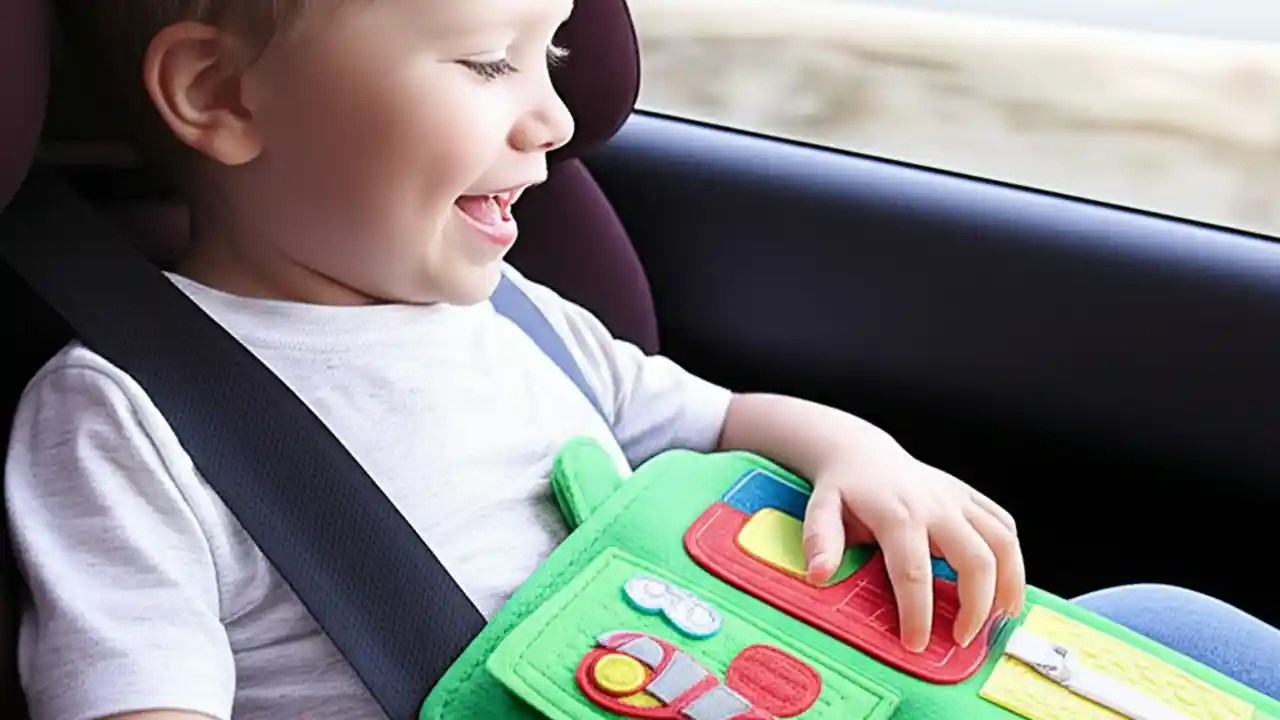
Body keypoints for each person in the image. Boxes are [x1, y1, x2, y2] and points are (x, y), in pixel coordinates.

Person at [2, 1, 1274, 718]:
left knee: (1165, 632)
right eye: (486, 59)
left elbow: (718, 419)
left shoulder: (520, 317)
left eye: (551, 52)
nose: (553, 115)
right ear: (219, 97)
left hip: (771, 682)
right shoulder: (122, 414)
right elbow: (130, 694)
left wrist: (855, 454)